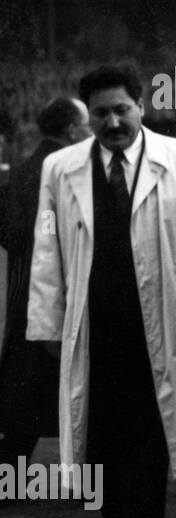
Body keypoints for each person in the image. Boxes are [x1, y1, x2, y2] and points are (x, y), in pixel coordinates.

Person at [27, 65, 176, 518]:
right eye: (101, 113)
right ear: (87, 116)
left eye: (122, 109)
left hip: (159, 328)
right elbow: (47, 249)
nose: (113, 122)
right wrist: (45, 322)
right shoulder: (61, 168)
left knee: (148, 439)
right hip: (91, 329)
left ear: (141, 106)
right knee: (100, 437)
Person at [0, 96, 89, 468]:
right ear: (71, 129)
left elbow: (8, 231)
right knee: (79, 388)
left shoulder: (20, 171)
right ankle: (88, 480)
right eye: (85, 124)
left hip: (24, 294)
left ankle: (9, 478)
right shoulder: (70, 172)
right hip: (66, 292)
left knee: (27, 397)